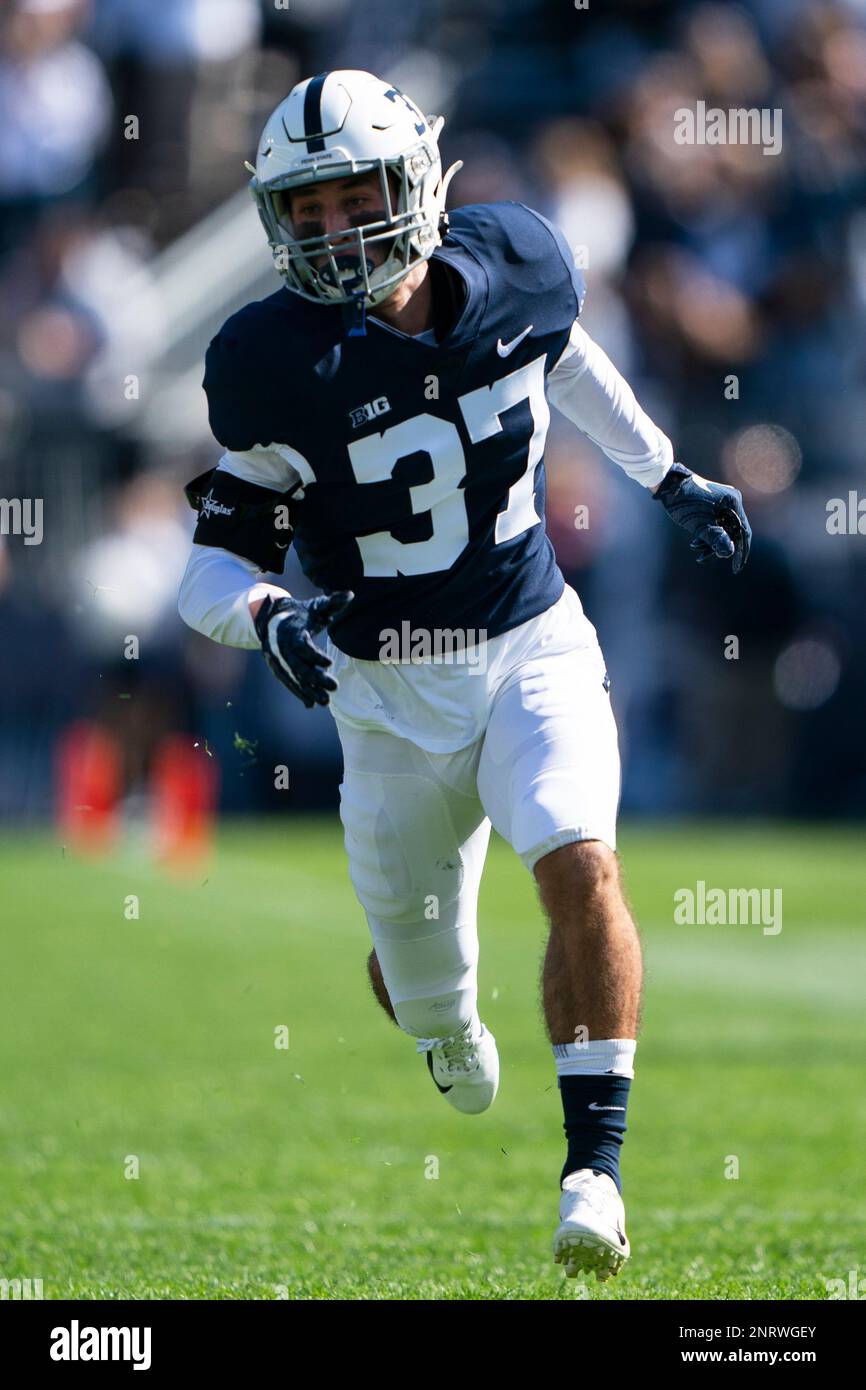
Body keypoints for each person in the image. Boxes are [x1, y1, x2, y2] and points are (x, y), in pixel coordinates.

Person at [177, 69, 751, 1281]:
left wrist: (666, 476)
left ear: (418, 186)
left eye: (355, 199)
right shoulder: (271, 361)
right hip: (384, 704)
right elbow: (211, 567)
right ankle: (446, 1022)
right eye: (308, 211)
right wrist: (271, 617)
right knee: (424, 991)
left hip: (530, 644)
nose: (334, 232)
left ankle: (592, 1169)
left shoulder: (519, 265)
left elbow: (568, 358)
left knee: (578, 857)